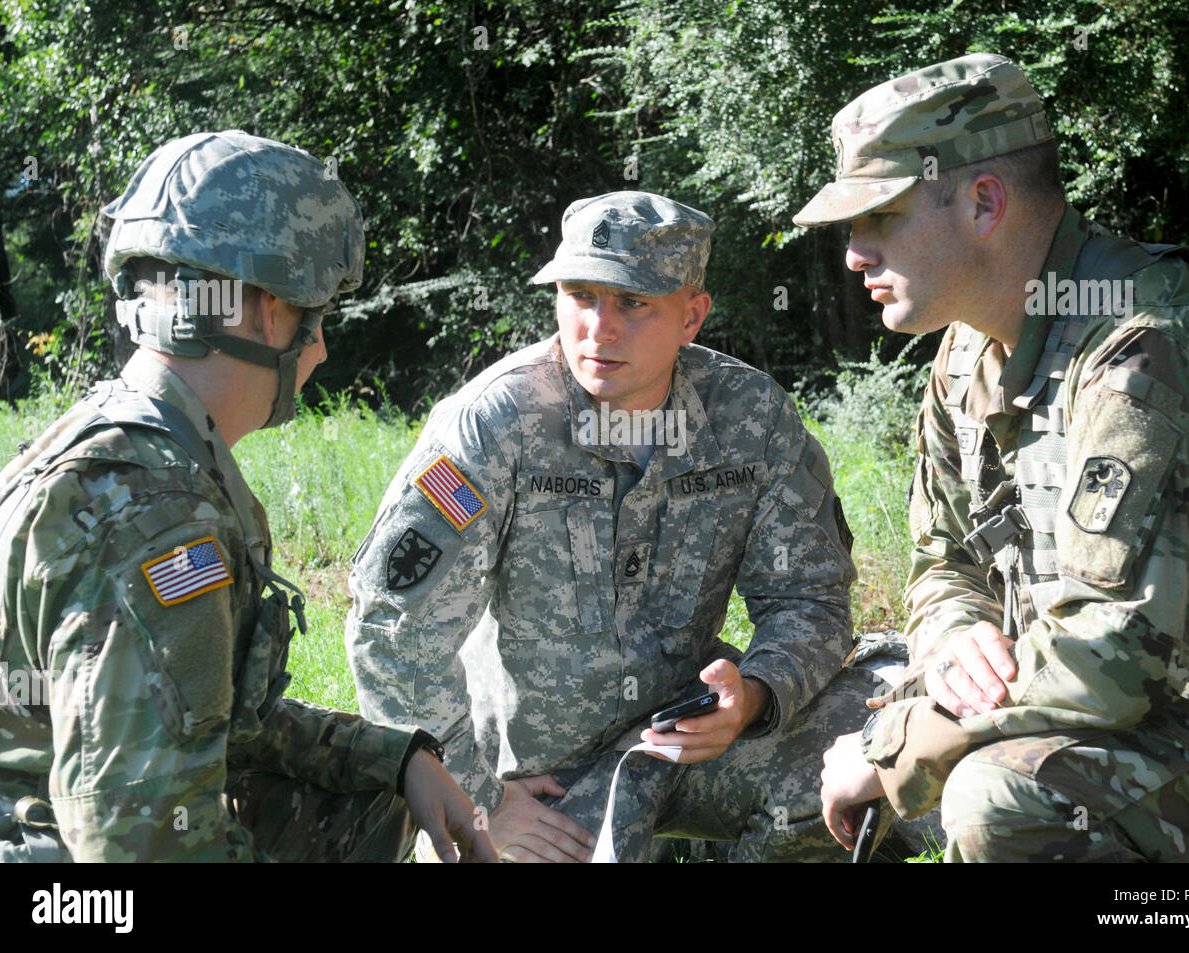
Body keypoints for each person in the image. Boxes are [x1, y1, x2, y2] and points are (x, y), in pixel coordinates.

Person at [803, 53, 1189, 861]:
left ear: (984, 203)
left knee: (1003, 798)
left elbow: (1112, 659)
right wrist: (958, 643)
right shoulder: (967, 352)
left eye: (878, 216)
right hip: (1123, 715)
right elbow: (942, 557)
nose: (854, 253)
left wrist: (897, 747)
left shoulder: (1144, 349)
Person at [0, 130, 496, 863]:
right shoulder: (158, 514)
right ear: (264, 310)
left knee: (366, 795)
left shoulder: (132, 445)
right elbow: (142, 850)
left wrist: (398, 759)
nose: (318, 348)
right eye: (315, 315)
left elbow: (217, 723)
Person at [346, 190, 877, 862]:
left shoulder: (751, 417)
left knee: (862, 751)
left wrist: (756, 694)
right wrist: (479, 797)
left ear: (691, 315)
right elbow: (394, 624)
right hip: (535, 787)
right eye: (581, 295)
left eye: (632, 302)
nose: (599, 327)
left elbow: (810, 596)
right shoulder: (496, 425)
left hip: (683, 739)